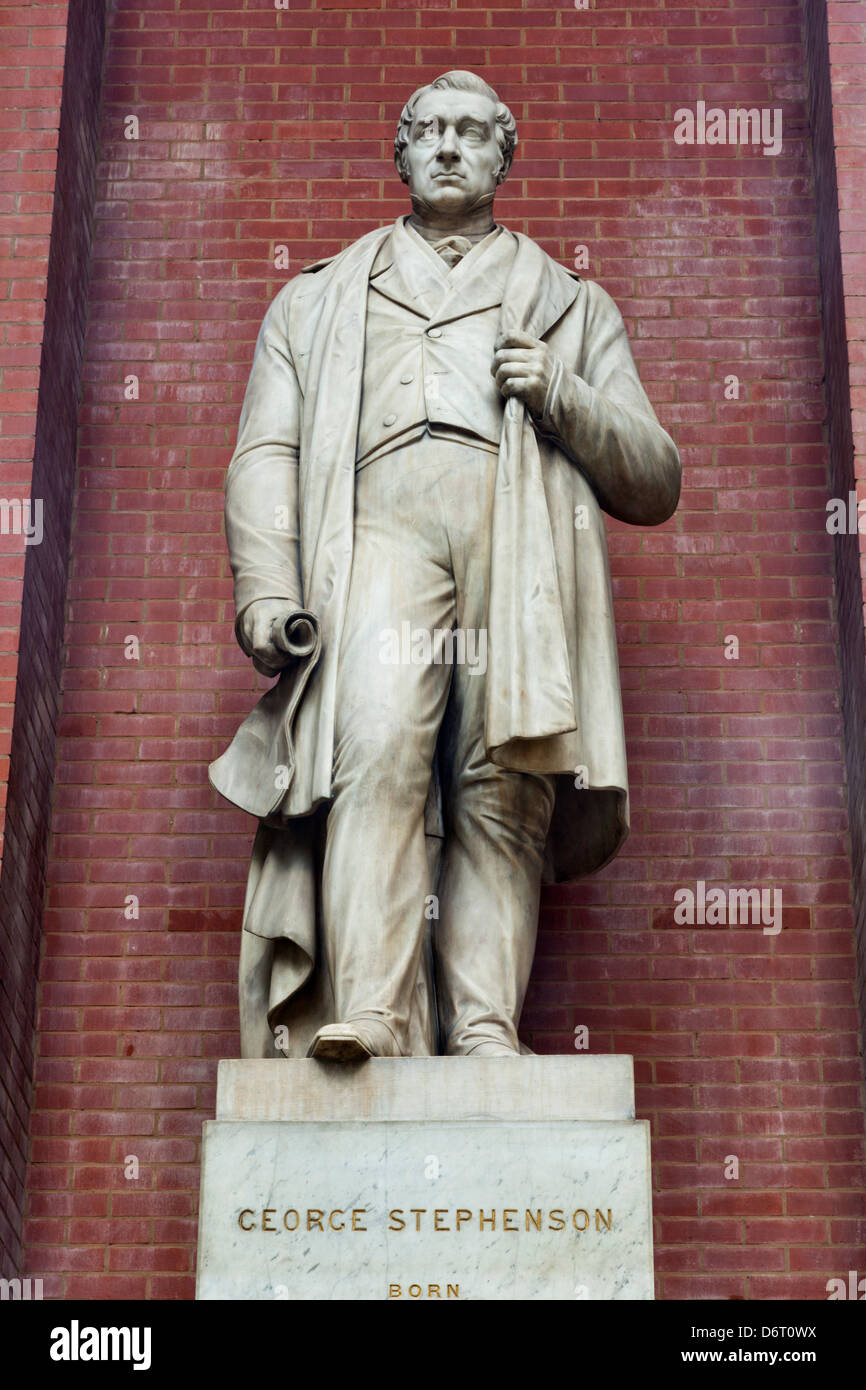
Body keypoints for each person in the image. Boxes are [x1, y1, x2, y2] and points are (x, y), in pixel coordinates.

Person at [209, 70, 681, 1061]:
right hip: (377, 527)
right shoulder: (317, 299)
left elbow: (653, 478)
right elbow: (266, 454)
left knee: (504, 778)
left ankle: (482, 1029)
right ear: (402, 153)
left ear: (504, 155)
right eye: (428, 131)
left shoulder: (570, 304)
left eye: (471, 131)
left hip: (516, 532)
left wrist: (561, 392)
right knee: (376, 745)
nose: (449, 146)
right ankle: (375, 1011)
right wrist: (267, 588)